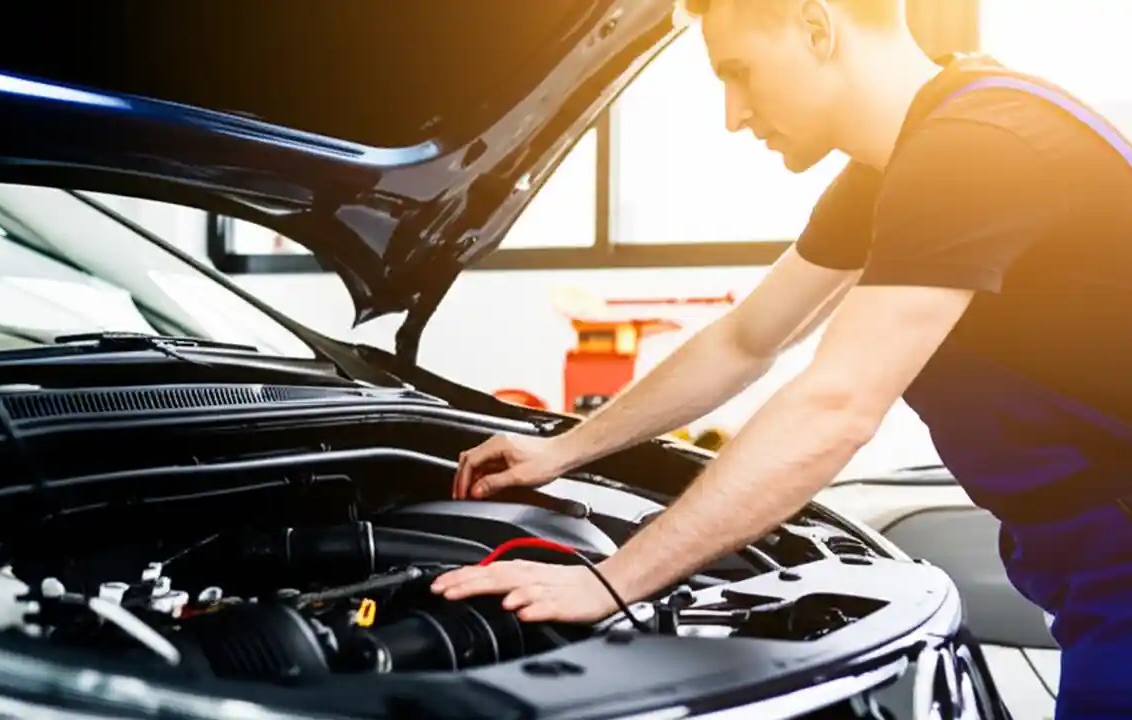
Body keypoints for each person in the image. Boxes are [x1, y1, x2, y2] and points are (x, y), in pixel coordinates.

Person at [430, 1, 1132, 717]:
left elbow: (836, 405)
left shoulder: (977, 147)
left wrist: (611, 582)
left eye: (739, 73)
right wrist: (559, 451)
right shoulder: (900, 165)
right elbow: (747, 340)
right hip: (1090, 564)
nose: (733, 114)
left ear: (816, 26)